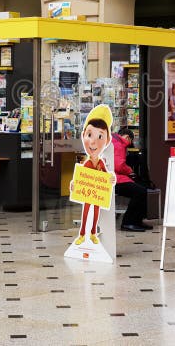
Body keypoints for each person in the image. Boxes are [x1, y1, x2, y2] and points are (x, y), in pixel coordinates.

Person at [73, 105, 115, 246]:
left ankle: (92, 233)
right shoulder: (87, 163)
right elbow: (80, 179)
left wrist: (111, 178)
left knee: (96, 213)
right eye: (89, 135)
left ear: (107, 140)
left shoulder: (101, 163)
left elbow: (107, 176)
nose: (93, 142)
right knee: (85, 213)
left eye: (100, 136)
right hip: (87, 194)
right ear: (83, 134)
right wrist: (74, 184)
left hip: (97, 195)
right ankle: (82, 233)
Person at [112, 128, 150, 232]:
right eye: (131, 140)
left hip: (114, 178)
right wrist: (130, 171)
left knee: (141, 190)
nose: (130, 143)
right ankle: (128, 222)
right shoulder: (119, 144)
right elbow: (119, 166)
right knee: (140, 192)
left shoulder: (113, 141)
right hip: (115, 180)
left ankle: (136, 221)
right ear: (128, 137)